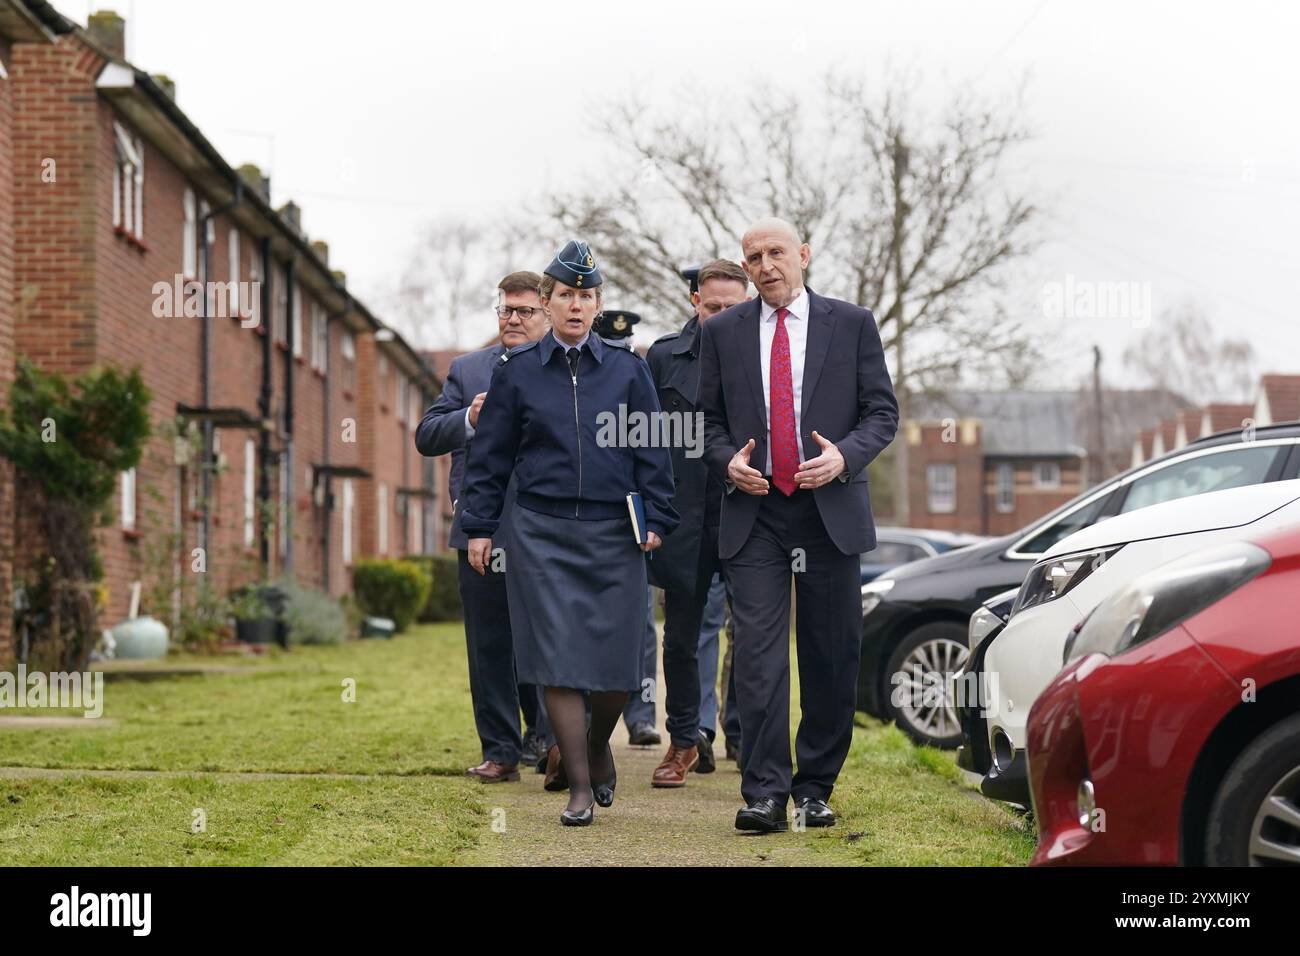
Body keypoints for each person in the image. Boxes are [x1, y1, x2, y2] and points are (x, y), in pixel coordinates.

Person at [461, 240, 679, 826]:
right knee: (556, 661)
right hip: (539, 531)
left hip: (614, 530)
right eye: (565, 295)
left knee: (618, 666)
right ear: (548, 303)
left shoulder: (629, 370)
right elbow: (491, 459)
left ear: (598, 303)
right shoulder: (518, 375)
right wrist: (479, 527)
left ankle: (597, 744)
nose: (576, 305)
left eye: (586, 296)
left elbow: (652, 450)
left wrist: (657, 517)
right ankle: (580, 784)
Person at [697, 218, 899, 833]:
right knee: (758, 657)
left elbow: (881, 414)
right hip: (755, 511)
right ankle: (764, 792)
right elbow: (703, 422)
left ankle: (815, 788)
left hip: (827, 511)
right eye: (753, 257)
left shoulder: (854, 324)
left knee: (831, 654)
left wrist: (845, 455)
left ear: (803, 255)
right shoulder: (725, 332)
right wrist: (727, 460)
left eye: (776, 252)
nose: (765, 265)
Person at [414, 271, 551, 783]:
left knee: (546, 638)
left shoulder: (567, 368)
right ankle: (501, 751)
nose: (512, 319)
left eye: (524, 311)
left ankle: (549, 738)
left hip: (550, 527)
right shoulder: (469, 370)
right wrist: (468, 421)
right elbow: (427, 434)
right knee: (490, 643)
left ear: (548, 312)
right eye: (505, 310)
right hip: (482, 529)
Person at [645, 258, 750, 787]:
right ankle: (684, 741)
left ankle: (748, 738)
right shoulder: (663, 357)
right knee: (682, 639)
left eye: (735, 307)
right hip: (684, 517)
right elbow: (642, 442)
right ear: (695, 303)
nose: (724, 316)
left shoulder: (764, 354)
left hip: (749, 513)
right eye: (714, 307)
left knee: (754, 634)